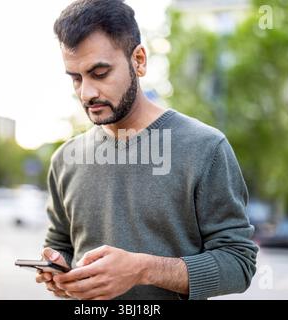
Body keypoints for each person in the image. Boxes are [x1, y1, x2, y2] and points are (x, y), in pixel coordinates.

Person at [35, 0, 258, 300]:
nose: (86, 92)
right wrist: (59, 272)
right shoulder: (65, 159)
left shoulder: (206, 148)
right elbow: (60, 245)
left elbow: (238, 263)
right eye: (76, 78)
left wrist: (143, 269)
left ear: (139, 60)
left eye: (99, 73)